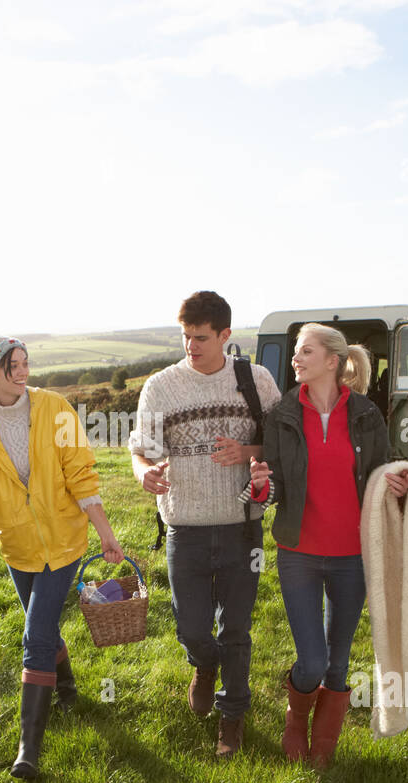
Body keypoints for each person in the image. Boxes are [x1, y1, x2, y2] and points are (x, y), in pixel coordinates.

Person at [0, 336, 124, 779]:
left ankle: (29, 750)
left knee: (35, 636)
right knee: (43, 627)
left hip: (63, 544)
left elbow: (81, 472)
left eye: (25, 363)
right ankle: (69, 686)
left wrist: (107, 535)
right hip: (17, 548)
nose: (23, 372)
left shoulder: (55, 409)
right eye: (13, 365)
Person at [242, 322, 408, 768]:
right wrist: (261, 486)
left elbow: (380, 472)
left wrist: (394, 484)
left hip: (353, 555)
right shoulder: (281, 415)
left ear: (332, 362)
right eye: (296, 352)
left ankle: (323, 746)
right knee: (312, 661)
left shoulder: (365, 415)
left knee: (338, 662)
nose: (295, 359)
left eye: (305, 352)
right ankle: (296, 719)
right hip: (299, 552)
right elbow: (273, 483)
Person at [128, 292, 281, 757]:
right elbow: (141, 448)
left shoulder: (256, 381)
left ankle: (232, 717)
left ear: (225, 336)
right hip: (185, 527)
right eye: (185, 337)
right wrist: (144, 473)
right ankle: (204, 663)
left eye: (200, 337)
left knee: (236, 628)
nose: (190, 346)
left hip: (242, 527)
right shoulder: (160, 386)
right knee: (191, 627)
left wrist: (250, 453)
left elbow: (285, 443)